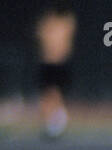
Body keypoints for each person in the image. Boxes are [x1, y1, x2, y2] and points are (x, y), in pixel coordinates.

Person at [36, 1, 76, 138]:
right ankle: (52, 125)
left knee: (56, 95)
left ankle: (56, 125)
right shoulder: (48, 23)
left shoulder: (66, 22)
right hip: (48, 63)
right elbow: (41, 34)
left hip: (60, 63)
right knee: (48, 96)